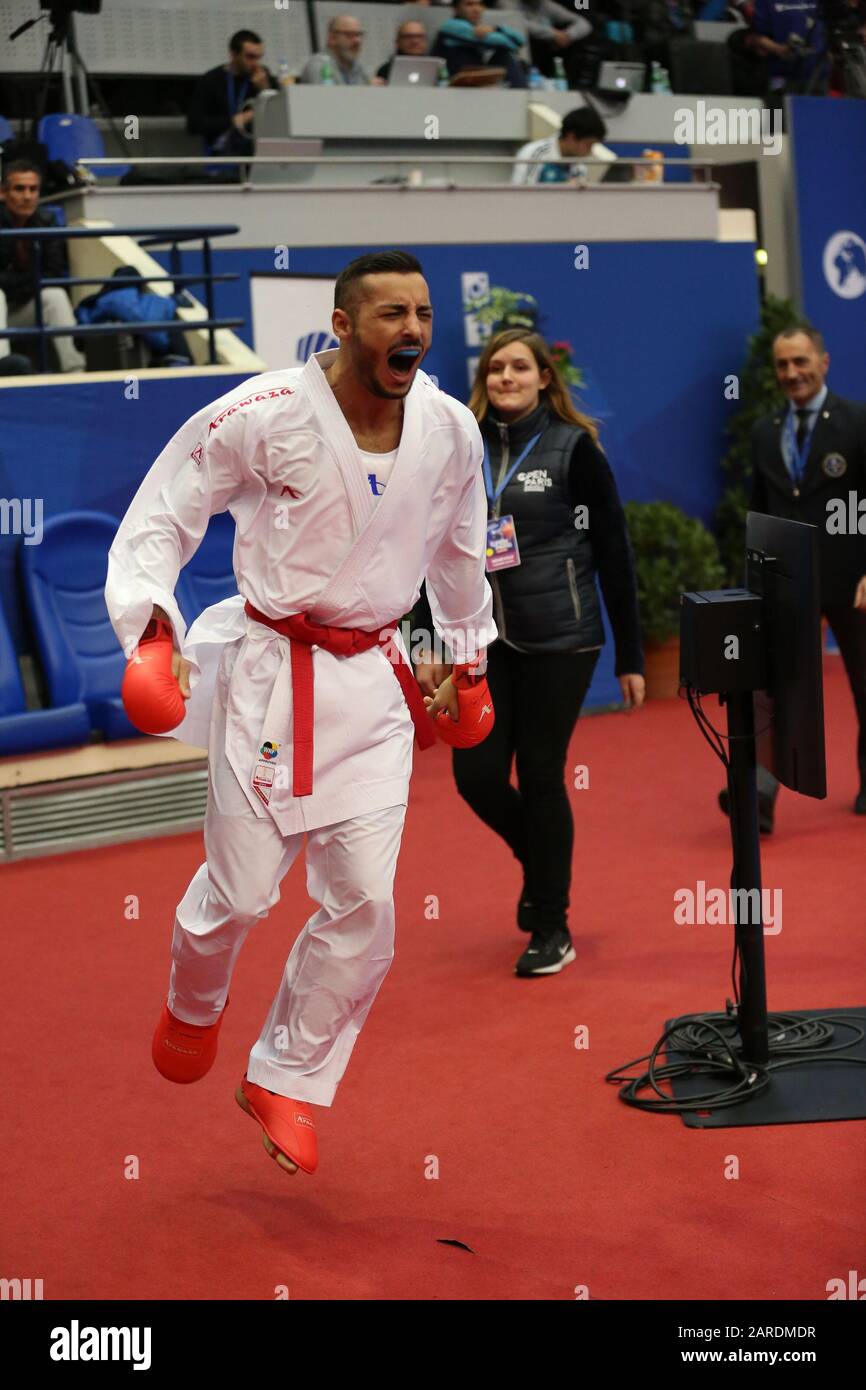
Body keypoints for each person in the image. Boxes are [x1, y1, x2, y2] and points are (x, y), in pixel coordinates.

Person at [104, 250, 496, 1177]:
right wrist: (151, 629)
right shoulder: (263, 412)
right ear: (344, 322)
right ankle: (193, 1005)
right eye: (391, 313)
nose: (412, 330)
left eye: (424, 314)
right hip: (270, 672)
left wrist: (468, 660)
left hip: (372, 685)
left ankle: (287, 1075)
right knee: (239, 895)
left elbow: (461, 549)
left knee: (366, 902)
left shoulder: (448, 430)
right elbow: (165, 511)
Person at [414, 329, 645, 976]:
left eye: (519, 367)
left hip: (561, 638)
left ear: (545, 377)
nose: (505, 378)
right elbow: (430, 554)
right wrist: (426, 640)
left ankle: (552, 925)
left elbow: (614, 553)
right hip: (480, 639)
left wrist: (631, 655)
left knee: (542, 775)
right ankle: (539, 863)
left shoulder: (575, 448)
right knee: (477, 776)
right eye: (495, 369)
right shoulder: (461, 448)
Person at [719, 324, 866, 829]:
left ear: (823, 362)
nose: (791, 373)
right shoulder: (765, 431)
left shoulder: (857, 421)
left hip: (853, 581)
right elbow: (761, 511)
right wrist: (754, 581)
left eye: (800, 361)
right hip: (786, 582)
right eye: (782, 364)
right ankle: (758, 793)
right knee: (770, 688)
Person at [0, 160, 85, 374]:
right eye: (20, 189)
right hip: (4, 304)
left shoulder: (47, 222)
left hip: (23, 306)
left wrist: (16, 283)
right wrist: (29, 280)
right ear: (2, 193)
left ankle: (76, 372)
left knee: (55, 296)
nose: (27, 196)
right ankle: (4, 368)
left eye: (33, 189)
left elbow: (52, 272)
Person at [187, 29, 279, 158]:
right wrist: (233, 121)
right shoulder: (211, 80)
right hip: (221, 152)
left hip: (257, 151)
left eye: (259, 57)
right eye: (250, 57)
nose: (255, 63)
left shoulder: (263, 76)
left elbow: (278, 117)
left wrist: (265, 91)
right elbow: (194, 124)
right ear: (233, 55)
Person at [511, 106, 618, 186]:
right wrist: (563, 189)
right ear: (571, 137)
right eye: (588, 144)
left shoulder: (579, 164)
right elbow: (521, 196)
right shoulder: (534, 153)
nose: (589, 151)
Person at [432, 0, 529, 87]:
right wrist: (497, 34)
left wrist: (496, 28)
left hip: (476, 79)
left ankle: (523, 94)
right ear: (456, 9)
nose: (476, 9)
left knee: (504, 56)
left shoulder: (482, 29)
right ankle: (523, 95)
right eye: (469, 4)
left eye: (480, 4)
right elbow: (505, 43)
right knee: (504, 55)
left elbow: (520, 41)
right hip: (452, 83)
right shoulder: (450, 26)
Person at [512, 0, 592, 88]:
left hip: (548, 57)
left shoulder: (545, 4)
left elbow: (584, 23)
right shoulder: (506, 2)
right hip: (519, 57)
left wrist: (568, 35)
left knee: (575, 44)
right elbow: (516, 23)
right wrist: (553, 35)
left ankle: (571, 86)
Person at [297, 15, 386, 85]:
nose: (357, 41)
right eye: (350, 34)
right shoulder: (318, 66)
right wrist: (366, 90)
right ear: (332, 38)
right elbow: (328, 100)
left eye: (359, 35)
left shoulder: (359, 68)